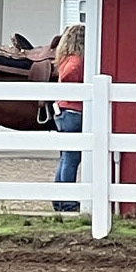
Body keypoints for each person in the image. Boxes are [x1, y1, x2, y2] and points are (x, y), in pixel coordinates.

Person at [51, 24, 85, 213]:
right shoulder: (76, 60)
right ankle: (68, 202)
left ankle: (60, 200)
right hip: (73, 112)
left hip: (63, 111)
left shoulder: (64, 58)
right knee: (71, 158)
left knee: (66, 158)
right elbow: (71, 75)